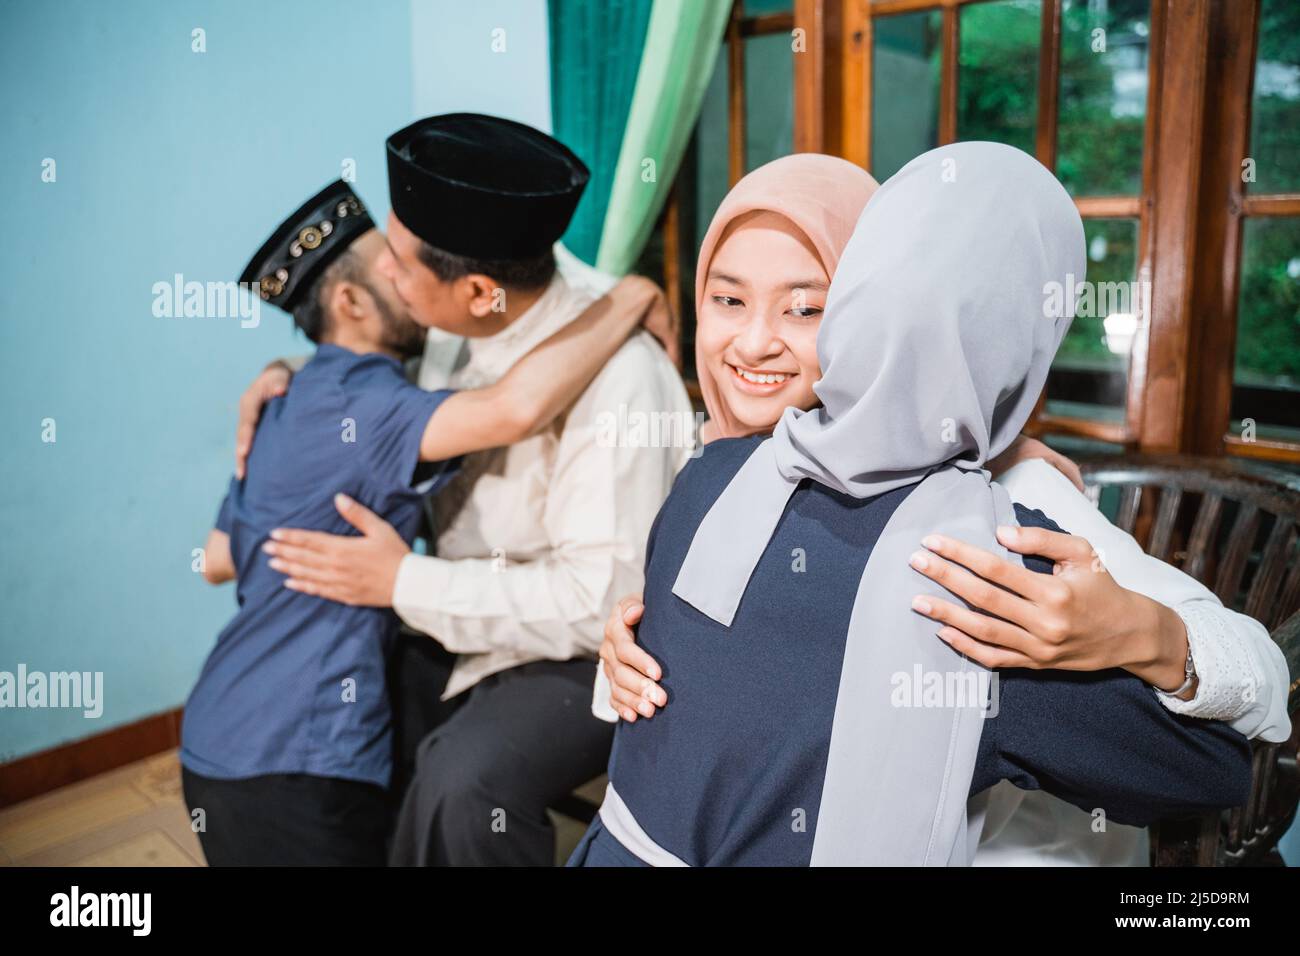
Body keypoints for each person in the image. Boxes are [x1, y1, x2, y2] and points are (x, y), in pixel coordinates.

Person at [591, 150, 1290, 865]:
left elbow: (1256, 683)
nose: (754, 341)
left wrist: (1144, 634)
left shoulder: (1012, 510)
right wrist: (624, 657)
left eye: (807, 307)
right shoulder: (718, 467)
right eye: (727, 299)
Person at [241, 114, 694, 865]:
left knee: (464, 783)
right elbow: (383, 388)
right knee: (333, 694)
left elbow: (597, 602)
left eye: (400, 265)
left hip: (595, 652)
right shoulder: (443, 314)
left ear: (480, 290)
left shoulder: (623, 376)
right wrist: (297, 380)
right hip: (460, 610)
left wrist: (405, 580)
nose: (383, 273)